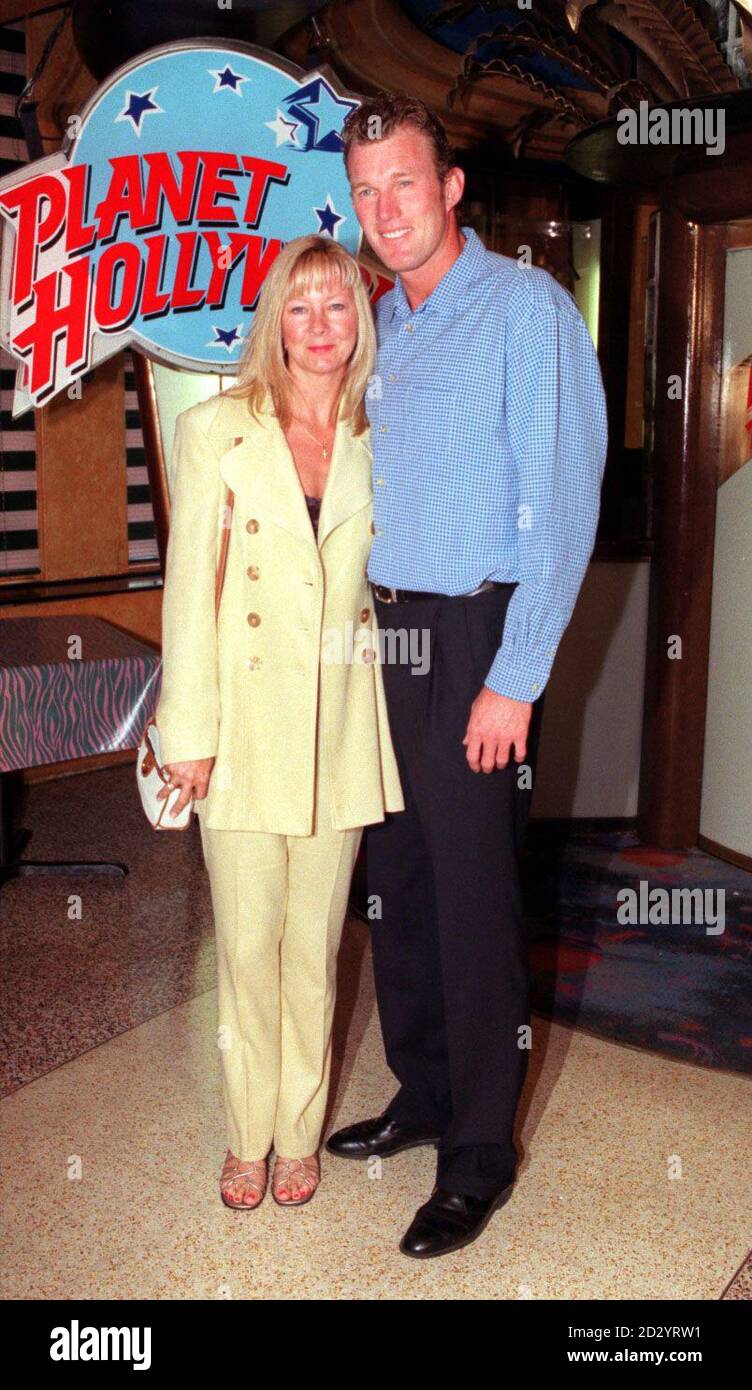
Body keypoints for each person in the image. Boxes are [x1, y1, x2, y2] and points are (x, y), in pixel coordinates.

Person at [326, 94, 608, 1257]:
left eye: (404, 182)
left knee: (475, 900)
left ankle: (479, 1155)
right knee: (393, 887)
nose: (385, 208)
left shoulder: (525, 309)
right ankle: (425, 1091)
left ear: (450, 188)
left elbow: (562, 502)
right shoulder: (379, 322)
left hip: (473, 642)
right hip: (380, 641)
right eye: (365, 190)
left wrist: (517, 673)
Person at [154, 234, 403, 1210]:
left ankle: (297, 1133)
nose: (318, 327)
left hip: (339, 727)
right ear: (274, 322)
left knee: (315, 954)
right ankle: (244, 1134)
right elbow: (188, 595)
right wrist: (189, 732)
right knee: (244, 948)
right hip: (245, 732)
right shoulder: (216, 430)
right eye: (298, 308)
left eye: (335, 305)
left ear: (358, 320)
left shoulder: (383, 434)